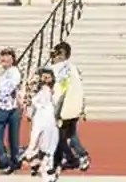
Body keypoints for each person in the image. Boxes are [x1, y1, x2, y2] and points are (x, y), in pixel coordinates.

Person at [51, 42, 90, 172]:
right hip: (74, 107)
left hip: (64, 108)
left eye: (55, 54)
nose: (53, 57)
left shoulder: (58, 69)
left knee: (60, 136)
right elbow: (80, 89)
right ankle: (79, 156)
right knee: (71, 135)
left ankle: (73, 158)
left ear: (61, 54)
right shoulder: (73, 68)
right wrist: (82, 107)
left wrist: (55, 107)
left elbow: (60, 90)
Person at [22, 68, 60, 181]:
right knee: (35, 142)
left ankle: (48, 170)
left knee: (49, 146)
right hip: (39, 120)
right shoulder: (38, 90)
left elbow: (57, 102)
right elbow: (31, 102)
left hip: (51, 121)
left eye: (48, 77)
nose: (45, 79)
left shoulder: (55, 89)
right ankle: (35, 161)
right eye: (44, 77)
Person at [0, 48, 24, 174]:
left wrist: (2, 102)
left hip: (6, 107)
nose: (3, 60)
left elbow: (10, 88)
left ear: (13, 59)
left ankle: (4, 158)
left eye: (6, 57)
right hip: (13, 107)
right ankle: (14, 160)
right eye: (2, 57)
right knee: (12, 136)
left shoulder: (13, 72)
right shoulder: (10, 72)